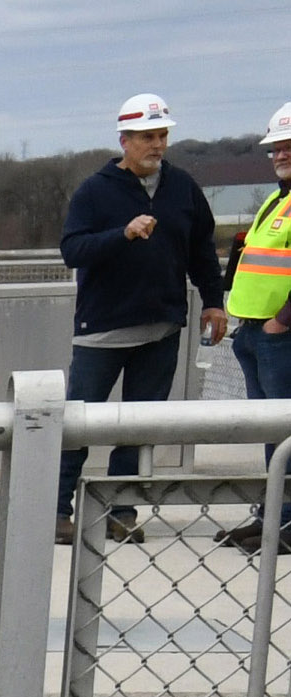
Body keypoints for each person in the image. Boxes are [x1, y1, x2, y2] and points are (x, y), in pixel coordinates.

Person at [55, 93, 230, 544]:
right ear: (125, 140)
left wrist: (213, 300)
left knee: (136, 428)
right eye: (147, 137)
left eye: (163, 136)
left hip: (162, 329)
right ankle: (57, 512)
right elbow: (72, 250)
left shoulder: (183, 186)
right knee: (77, 426)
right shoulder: (95, 191)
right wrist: (122, 234)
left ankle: (121, 512)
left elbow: (201, 249)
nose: (157, 145)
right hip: (103, 331)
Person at [219, 102, 291, 552]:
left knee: (285, 430)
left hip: (278, 336)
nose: (281, 155)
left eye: (289, 147)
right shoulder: (276, 199)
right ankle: (273, 513)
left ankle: (285, 521)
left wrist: (280, 323)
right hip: (254, 333)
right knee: (272, 431)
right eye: (275, 148)